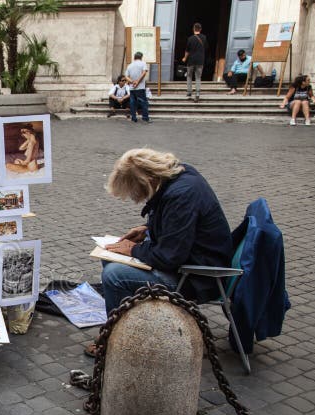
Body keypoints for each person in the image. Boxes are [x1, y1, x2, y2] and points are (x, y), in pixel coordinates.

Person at [85, 148, 233, 357]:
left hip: (197, 277)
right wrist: (147, 229)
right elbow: (178, 228)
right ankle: (134, 327)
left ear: (148, 180)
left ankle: (118, 340)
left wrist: (134, 249)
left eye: (136, 190)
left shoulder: (182, 194)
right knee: (109, 260)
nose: (138, 197)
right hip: (191, 263)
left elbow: (169, 256)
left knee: (115, 276)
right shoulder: (180, 175)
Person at [181, 22, 207, 102]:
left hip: (191, 61)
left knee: (189, 76)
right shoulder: (204, 38)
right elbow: (206, 48)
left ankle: (189, 92)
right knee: (198, 78)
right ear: (200, 29)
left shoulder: (190, 39)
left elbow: (187, 51)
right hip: (200, 61)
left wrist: (185, 58)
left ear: (193, 29)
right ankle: (197, 94)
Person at [125, 52, 150, 123]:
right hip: (140, 87)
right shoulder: (143, 63)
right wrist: (137, 82)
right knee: (143, 102)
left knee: (132, 103)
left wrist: (132, 82)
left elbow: (126, 76)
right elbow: (144, 73)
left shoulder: (130, 65)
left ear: (134, 57)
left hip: (132, 88)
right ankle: (145, 117)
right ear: (141, 57)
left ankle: (134, 117)